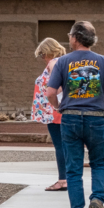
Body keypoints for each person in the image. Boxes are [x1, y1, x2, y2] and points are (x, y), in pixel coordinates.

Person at [46, 21, 104, 208]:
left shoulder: (62, 62)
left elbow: (50, 93)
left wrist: (59, 107)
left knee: (73, 169)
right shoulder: (103, 61)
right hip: (95, 117)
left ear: (75, 38)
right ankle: (97, 198)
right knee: (99, 162)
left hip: (70, 118)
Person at [32, 38, 67, 191]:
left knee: (60, 145)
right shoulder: (64, 62)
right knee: (64, 145)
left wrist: (56, 100)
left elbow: (58, 86)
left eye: (42, 55)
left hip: (54, 110)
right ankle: (66, 179)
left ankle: (62, 180)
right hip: (57, 109)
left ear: (47, 52)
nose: (42, 58)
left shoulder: (53, 63)